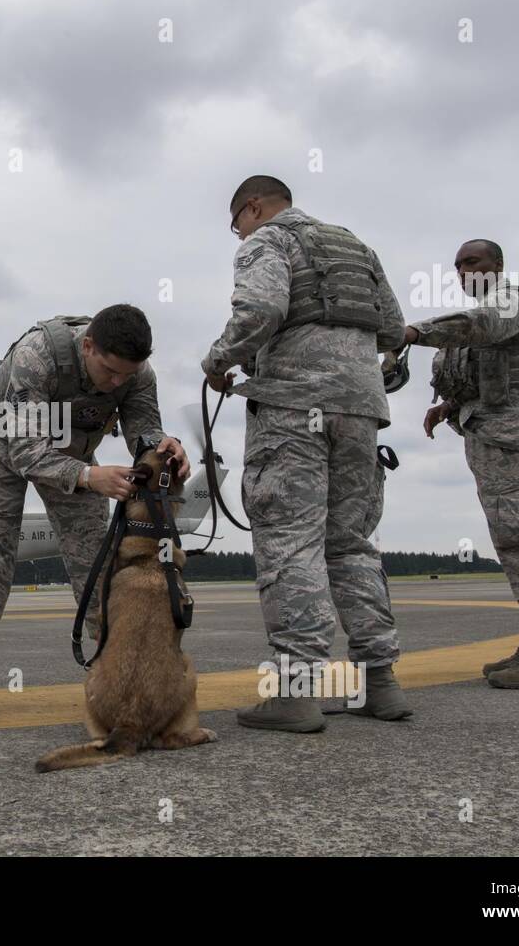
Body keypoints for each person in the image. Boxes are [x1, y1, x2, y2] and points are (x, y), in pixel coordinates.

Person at [202, 175, 410, 732]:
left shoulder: (267, 241)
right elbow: (392, 328)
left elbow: (260, 310)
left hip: (294, 410)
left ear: (253, 207)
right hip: (362, 410)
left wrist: (219, 360)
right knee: (350, 544)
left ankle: (295, 693)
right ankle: (379, 684)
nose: (237, 234)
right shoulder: (354, 245)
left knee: (291, 541)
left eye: (236, 223)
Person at [0, 304, 190, 724]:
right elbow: (25, 451)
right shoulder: (36, 356)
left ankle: (118, 675)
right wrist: (89, 476)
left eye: (126, 376)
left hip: (73, 449)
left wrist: (164, 447)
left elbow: (142, 428)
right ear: (88, 345)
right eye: (110, 371)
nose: (117, 383)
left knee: (98, 559)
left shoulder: (136, 374)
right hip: (1, 445)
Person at [403, 239, 519, 688]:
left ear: (498, 264)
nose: (463, 270)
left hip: (513, 440)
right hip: (490, 439)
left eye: (472, 261)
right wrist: (447, 405)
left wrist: (414, 333)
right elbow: (479, 374)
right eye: (457, 265)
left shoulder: (512, 304)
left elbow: (483, 327)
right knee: (511, 541)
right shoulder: (476, 318)